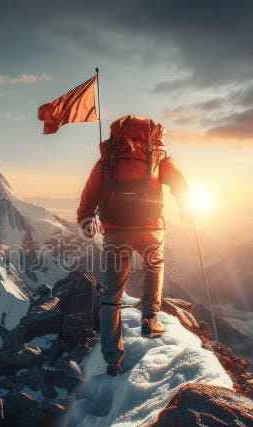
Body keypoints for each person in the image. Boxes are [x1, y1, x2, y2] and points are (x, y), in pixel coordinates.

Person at [77, 115, 190, 376]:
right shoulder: (158, 154)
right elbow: (180, 182)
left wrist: (85, 217)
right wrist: (186, 207)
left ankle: (113, 360)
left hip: (116, 231)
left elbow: (91, 191)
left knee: (111, 298)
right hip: (151, 227)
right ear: (152, 134)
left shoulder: (109, 156)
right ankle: (150, 317)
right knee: (154, 263)